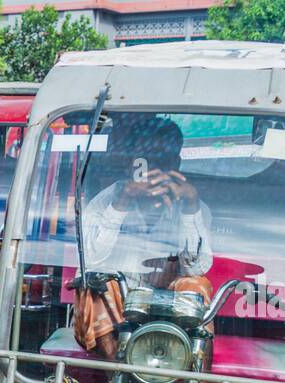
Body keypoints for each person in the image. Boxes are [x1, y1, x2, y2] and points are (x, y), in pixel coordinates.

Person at [75, 115, 213, 357]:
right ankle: (115, 379)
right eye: (149, 160)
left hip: (169, 317)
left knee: (196, 286)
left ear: (177, 164)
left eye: (164, 161)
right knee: (96, 282)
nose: (155, 169)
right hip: (111, 319)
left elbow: (198, 268)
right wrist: (122, 202)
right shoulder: (107, 201)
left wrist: (190, 208)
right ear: (133, 164)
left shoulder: (194, 208)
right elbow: (90, 259)